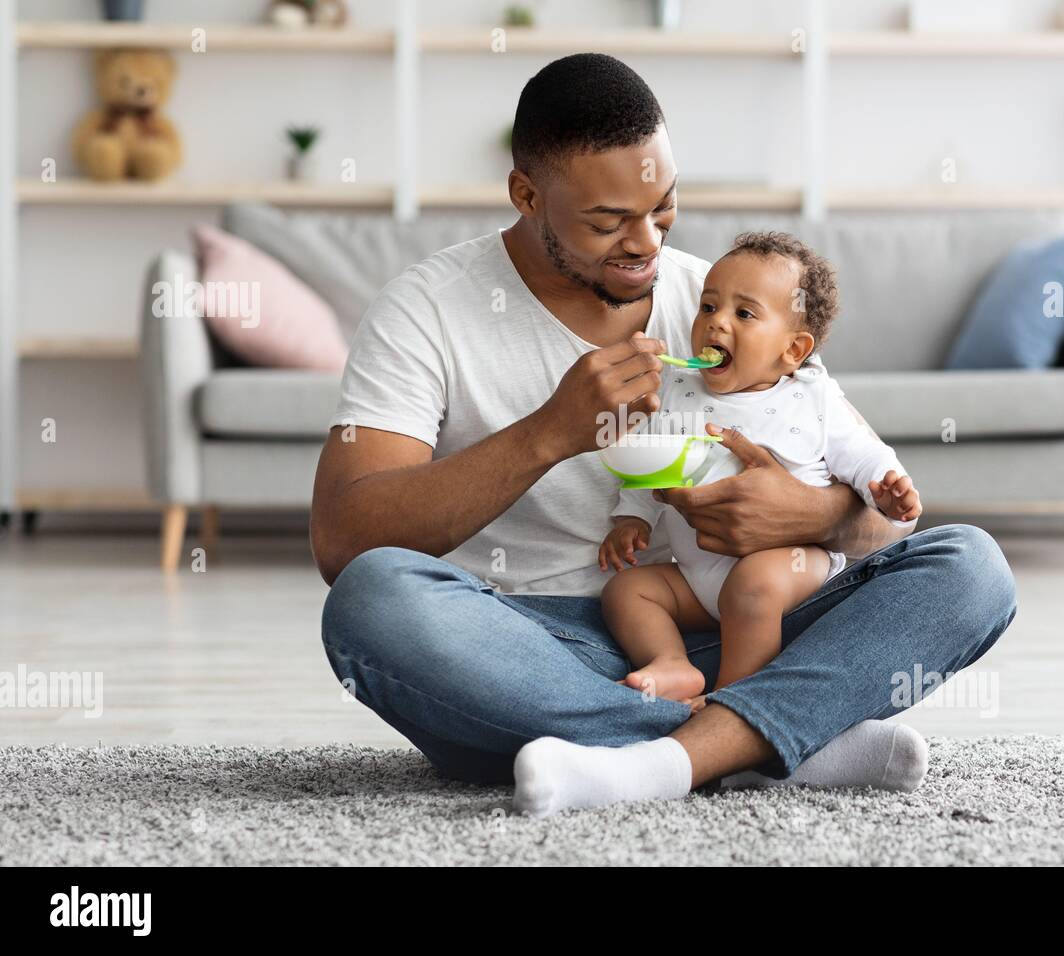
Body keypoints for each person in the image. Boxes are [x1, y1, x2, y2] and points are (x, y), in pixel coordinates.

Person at [311, 53, 1017, 818]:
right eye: (608, 222)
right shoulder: (426, 310)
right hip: (529, 651)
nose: (646, 244)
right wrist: (548, 434)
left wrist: (808, 515)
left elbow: (881, 512)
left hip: (738, 631)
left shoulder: (725, 300)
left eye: (663, 207)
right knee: (373, 604)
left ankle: (657, 753)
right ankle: (767, 741)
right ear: (526, 195)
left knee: (971, 565)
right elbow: (345, 541)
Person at [599, 231, 921, 705]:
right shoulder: (679, 388)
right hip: (696, 579)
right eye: (708, 308)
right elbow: (654, 459)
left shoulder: (811, 396)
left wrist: (886, 489)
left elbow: (861, 454)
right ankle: (672, 663)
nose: (716, 324)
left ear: (793, 350)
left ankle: (736, 701)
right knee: (627, 591)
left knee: (753, 586)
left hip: (788, 571)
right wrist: (632, 518)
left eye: (744, 314)